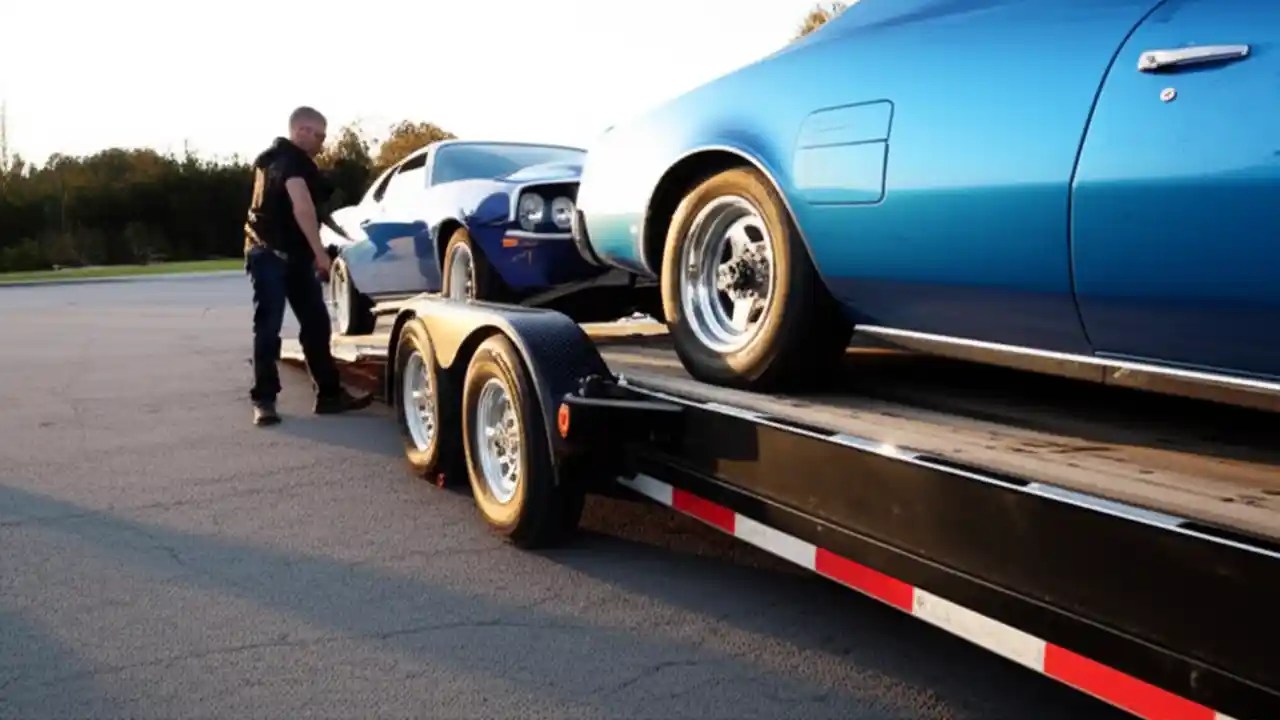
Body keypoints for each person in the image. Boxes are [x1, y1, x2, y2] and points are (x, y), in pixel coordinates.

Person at [243, 105, 372, 426]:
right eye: (319, 135)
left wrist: (346, 237)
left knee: (311, 323)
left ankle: (328, 395)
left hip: (281, 253)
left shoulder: (268, 160)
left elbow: (309, 210)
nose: (322, 143)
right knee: (272, 326)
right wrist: (321, 254)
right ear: (301, 131)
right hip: (272, 254)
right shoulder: (292, 163)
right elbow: (302, 207)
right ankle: (265, 400)